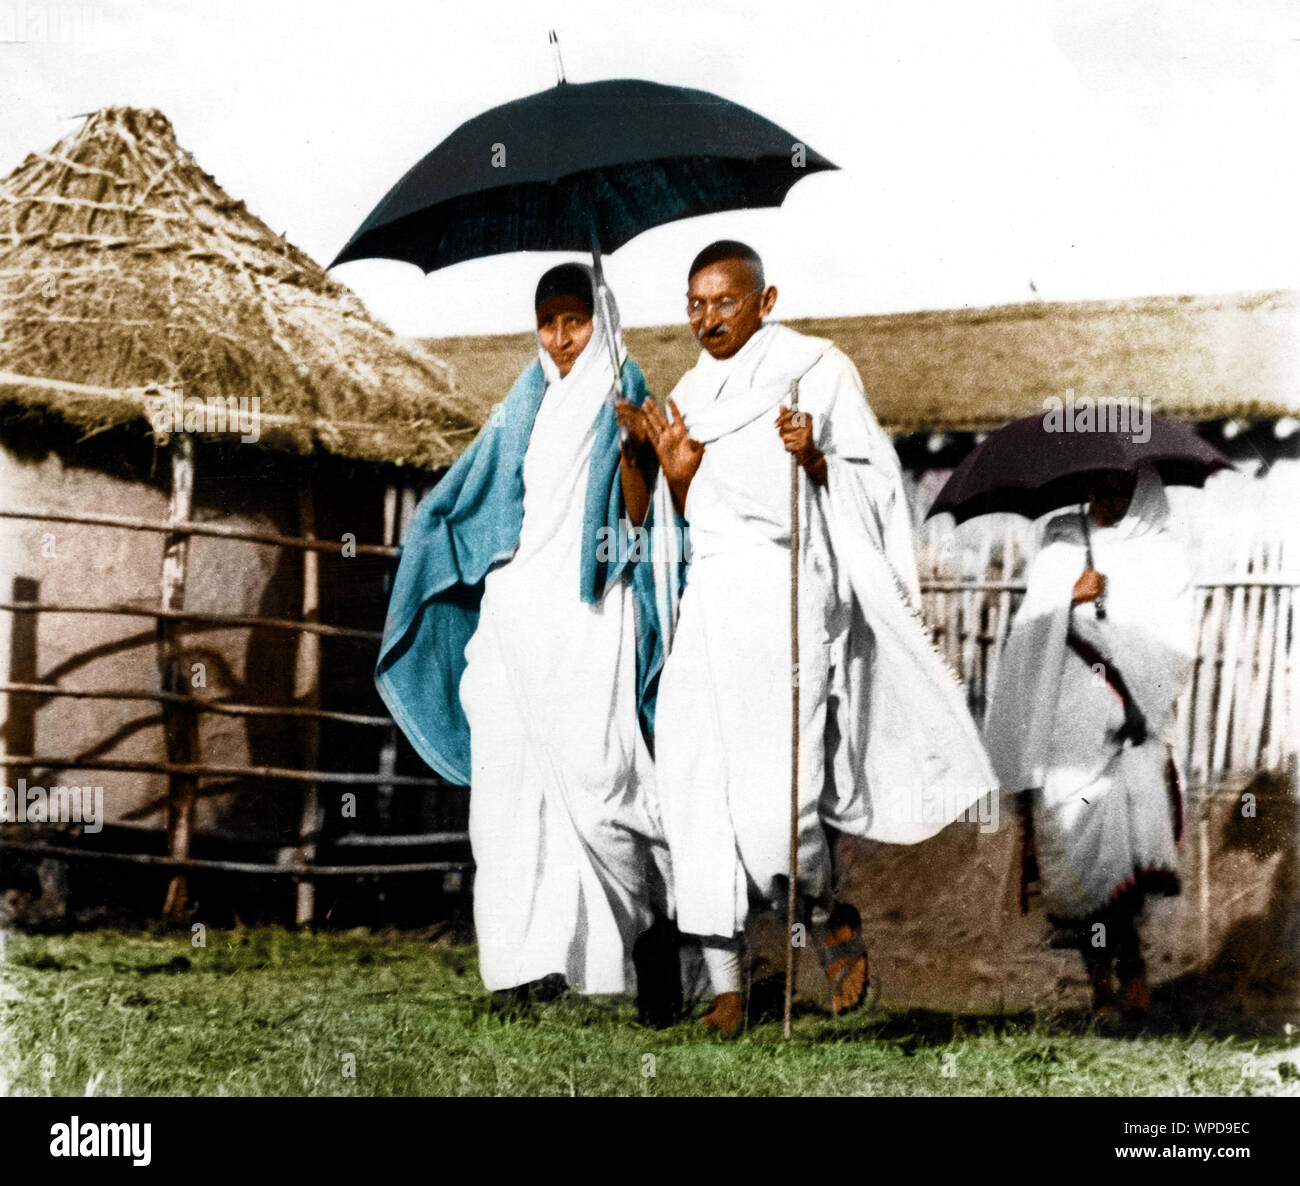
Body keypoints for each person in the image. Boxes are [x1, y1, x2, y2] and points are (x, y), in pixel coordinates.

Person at [621, 240, 997, 1035]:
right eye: (694, 303)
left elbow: (872, 485)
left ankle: (829, 923)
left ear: (766, 300)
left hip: (788, 591)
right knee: (694, 781)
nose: (707, 317)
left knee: (772, 795)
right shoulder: (689, 391)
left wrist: (816, 456)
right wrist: (676, 472)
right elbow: (689, 517)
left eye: (725, 301)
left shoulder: (817, 370)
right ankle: (727, 988)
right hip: (712, 597)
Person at [375, 263, 680, 1023]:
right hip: (512, 621)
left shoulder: (625, 383)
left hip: (588, 615)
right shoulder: (526, 398)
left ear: (601, 316)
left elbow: (640, 521)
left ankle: (654, 939)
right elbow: (474, 494)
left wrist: (633, 449)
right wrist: (435, 538)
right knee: (507, 794)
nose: (562, 337)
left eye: (576, 319)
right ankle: (521, 970)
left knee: (602, 787)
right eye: (548, 322)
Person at [984, 466, 1196, 1019]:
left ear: (1143, 490)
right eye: (1102, 488)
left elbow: (1170, 647)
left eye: (1124, 489)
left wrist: (1133, 689)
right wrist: (1066, 598)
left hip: (1130, 731)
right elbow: (1028, 635)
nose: (1112, 499)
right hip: (1064, 732)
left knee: (1121, 861)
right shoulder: (1060, 544)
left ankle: (1131, 966)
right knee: (1079, 864)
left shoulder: (1161, 553)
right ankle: (1100, 982)